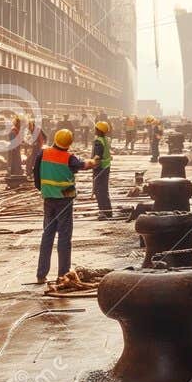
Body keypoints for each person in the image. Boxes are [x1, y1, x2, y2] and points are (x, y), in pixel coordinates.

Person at [33, 128, 89, 283]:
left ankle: (41, 274)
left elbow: (35, 174)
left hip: (48, 198)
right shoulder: (69, 158)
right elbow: (82, 165)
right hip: (64, 200)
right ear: (69, 143)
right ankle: (63, 275)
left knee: (47, 235)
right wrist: (92, 162)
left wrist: (44, 189)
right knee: (64, 237)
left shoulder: (43, 154)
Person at [91, 120, 114, 219]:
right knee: (104, 190)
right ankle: (108, 211)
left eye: (96, 128)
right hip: (106, 166)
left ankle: (103, 212)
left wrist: (90, 164)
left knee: (99, 190)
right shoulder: (106, 139)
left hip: (100, 168)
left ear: (99, 130)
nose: (94, 130)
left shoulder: (98, 141)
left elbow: (97, 156)